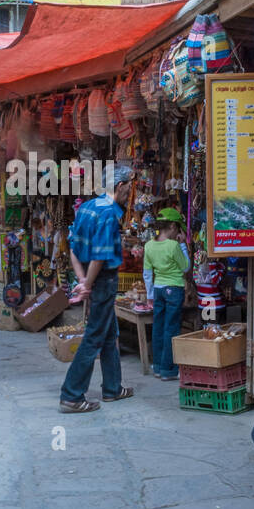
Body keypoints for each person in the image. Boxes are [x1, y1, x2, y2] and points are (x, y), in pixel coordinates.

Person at [59, 164, 136, 413]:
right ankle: (71, 395)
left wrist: (82, 281)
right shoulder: (108, 214)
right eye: (129, 187)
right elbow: (100, 257)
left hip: (93, 278)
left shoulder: (88, 207)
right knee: (93, 338)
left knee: (109, 333)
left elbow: (73, 247)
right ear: (121, 185)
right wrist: (88, 285)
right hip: (103, 280)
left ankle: (113, 388)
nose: (130, 193)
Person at [143, 208, 189, 380]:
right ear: (171, 226)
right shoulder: (173, 245)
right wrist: (183, 245)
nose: (178, 232)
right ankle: (168, 370)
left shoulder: (148, 245)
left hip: (158, 289)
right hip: (174, 288)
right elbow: (185, 267)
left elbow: (147, 273)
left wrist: (149, 294)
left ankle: (158, 367)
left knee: (158, 327)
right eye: (177, 228)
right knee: (171, 328)